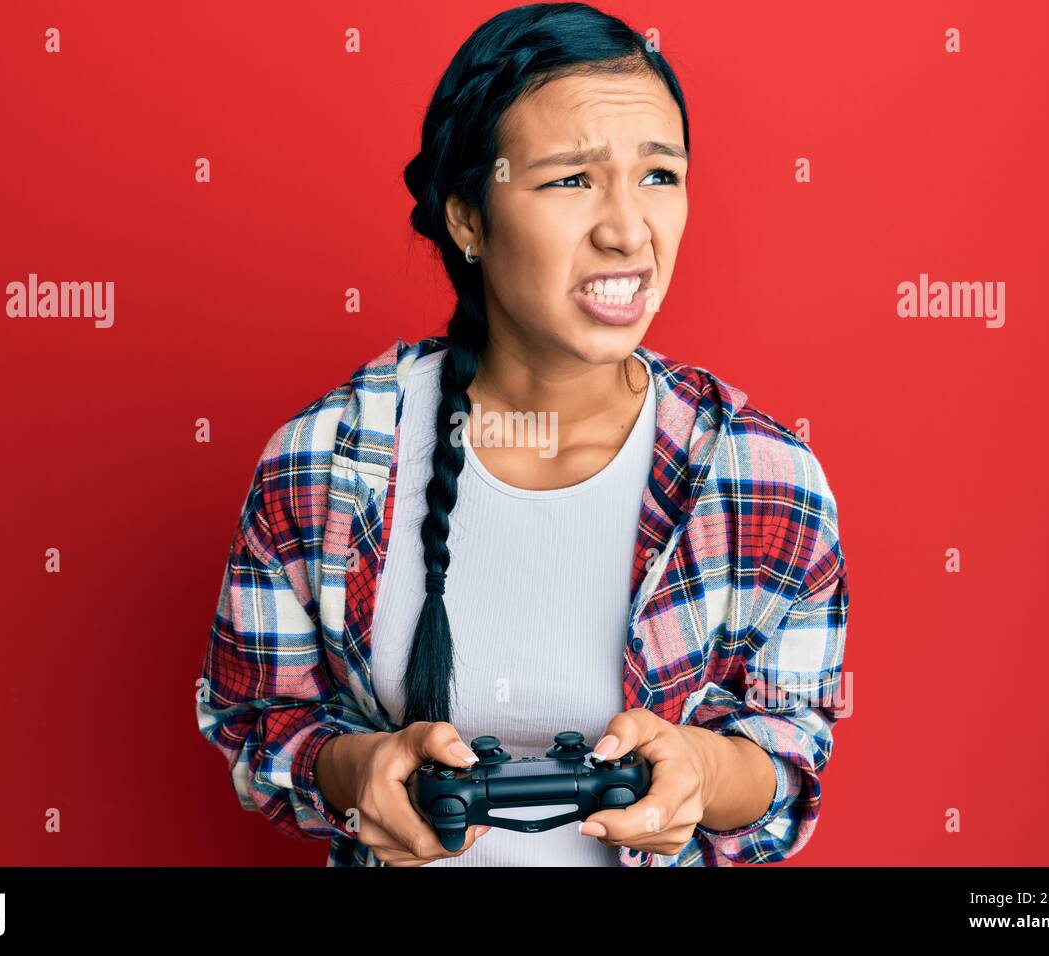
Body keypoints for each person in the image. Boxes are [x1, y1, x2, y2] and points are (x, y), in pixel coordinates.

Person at [196, 1, 849, 867]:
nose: (627, 231)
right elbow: (256, 723)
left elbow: (791, 757)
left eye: (659, 176)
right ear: (467, 216)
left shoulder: (763, 477)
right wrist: (359, 769)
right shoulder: (321, 465)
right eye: (570, 180)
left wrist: (701, 769)